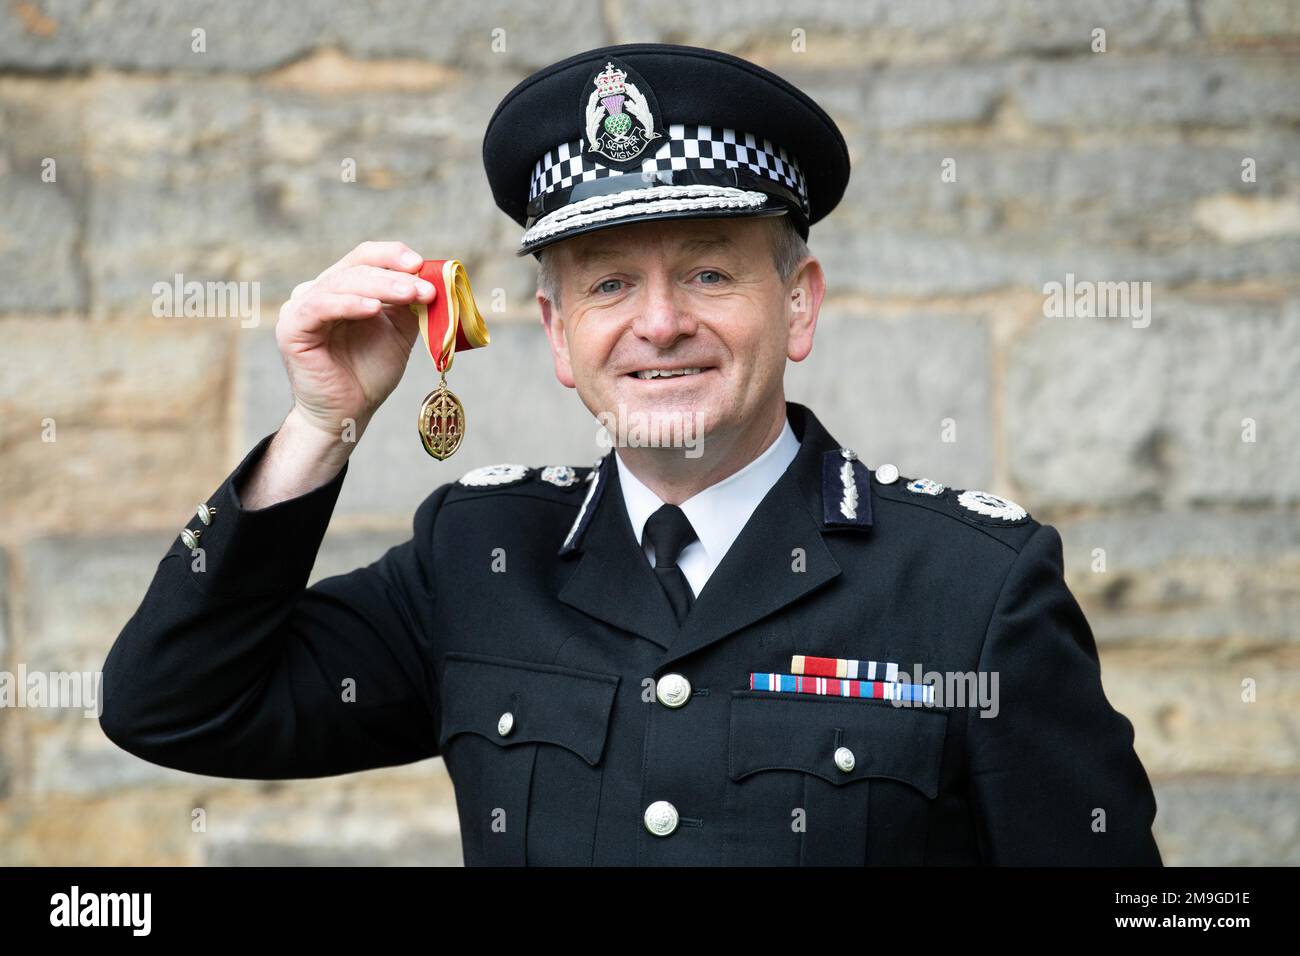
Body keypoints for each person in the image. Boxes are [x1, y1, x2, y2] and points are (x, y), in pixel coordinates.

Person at [99, 43, 1162, 866]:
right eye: (608, 284)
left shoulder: (972, 586)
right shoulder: (480, 556)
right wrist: (320, 422)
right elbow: (175, 703)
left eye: (708, 273)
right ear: (559, 335)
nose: (658, 324)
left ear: (798, 304)